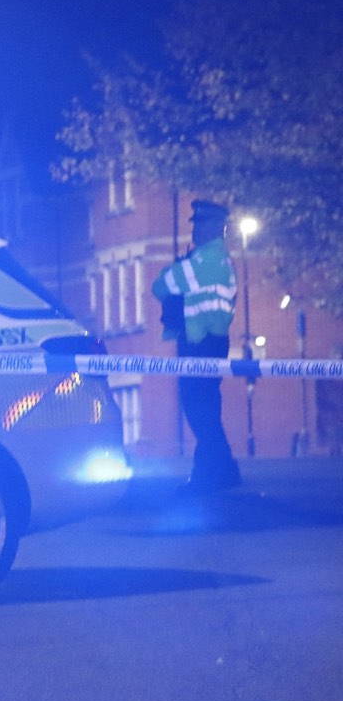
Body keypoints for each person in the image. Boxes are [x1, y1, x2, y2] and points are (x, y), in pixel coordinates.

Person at [152, 199, 242, 491]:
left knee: (198, 410)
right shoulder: (225, 262)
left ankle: (211, 474)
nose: (196, 230)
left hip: (197, 343)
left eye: (202, 224)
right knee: (208, 408)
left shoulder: (201, 262)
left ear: (217, 228)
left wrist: (178, 268)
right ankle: (224, 470)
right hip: (215, 342)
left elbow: (159, 286)